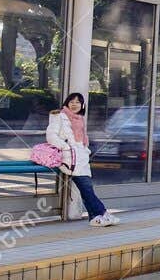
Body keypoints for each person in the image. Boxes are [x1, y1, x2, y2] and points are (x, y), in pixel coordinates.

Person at [46, 92, 118, 227]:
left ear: (82, 105)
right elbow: (51, 136)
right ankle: (102, 212)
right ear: (67, 103)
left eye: (78, 102)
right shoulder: (59, 116)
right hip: (69, 158)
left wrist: (86, 151)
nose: (74, 104)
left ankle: (95, 217)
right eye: (72, 102)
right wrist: (66, 147)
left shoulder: (79, 119)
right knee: (86, 187)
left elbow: (82, 140)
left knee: (86, 188)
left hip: (81, 158)